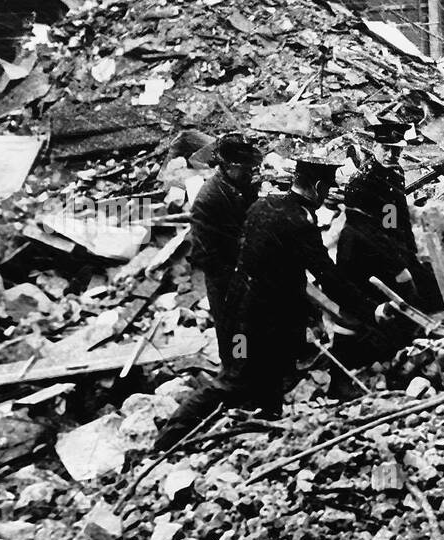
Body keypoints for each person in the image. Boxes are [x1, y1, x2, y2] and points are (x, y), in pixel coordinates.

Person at [155, 157, 395, 450]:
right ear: (318, 187)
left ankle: (267, 435)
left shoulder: (263, 206)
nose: (328, 194)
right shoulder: (299, 223)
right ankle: (167, 440)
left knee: (271, 379)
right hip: (259, 323)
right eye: (328, 187)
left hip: (244, 314)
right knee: (233, 381)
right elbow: (329, 278)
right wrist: (371, 310)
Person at [344, 119, 442, 310]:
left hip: (396, 249)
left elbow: (398, 216)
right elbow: (367, 235)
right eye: (385, 148)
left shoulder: (395, 172)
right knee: (405, 303)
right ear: (374, 146)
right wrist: (398, 266)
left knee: (432, 289)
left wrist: (410, 251)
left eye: (396, 150)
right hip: (372, 258)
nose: (391, 155)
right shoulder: (360, 184)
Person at [188, 133, 262, 368]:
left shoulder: (242, 186)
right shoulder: (208, 199)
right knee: (234, 331)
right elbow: (202, 253)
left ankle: (251, 370)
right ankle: (235, 374)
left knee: (250, 328)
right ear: (228, 167)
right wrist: (232, 277)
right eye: (246, 169)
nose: (251, 174)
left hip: (245, 274)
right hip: (225, 279)